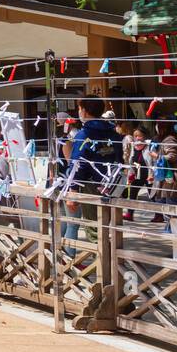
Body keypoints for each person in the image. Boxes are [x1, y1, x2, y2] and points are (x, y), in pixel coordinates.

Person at [61, 94, 121, 249]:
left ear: (85, 111)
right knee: (108, 228)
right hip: (113, 185)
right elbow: (119, 158)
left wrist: (72, 190)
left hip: (91, 185)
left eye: (80, 109)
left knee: (95, 231)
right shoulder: (113, 133)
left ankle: (104, 269)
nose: (79, 112)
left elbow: (78, 164)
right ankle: (111, 267)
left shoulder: (84, 135)